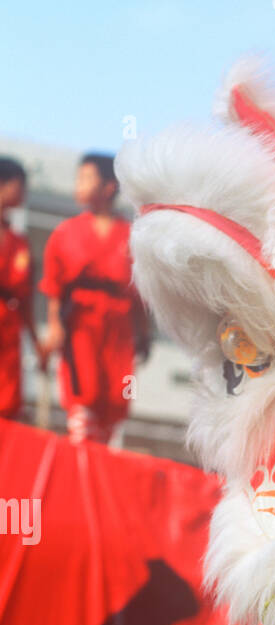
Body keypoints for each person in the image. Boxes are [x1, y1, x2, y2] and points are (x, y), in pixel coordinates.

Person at [40, 153, 150, 445]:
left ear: (108, 186)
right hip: (81, 323)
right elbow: (53, 285)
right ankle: (81, 463)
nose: (80, 185)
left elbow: (142, 292)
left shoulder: (132, 236)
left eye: (86, 178)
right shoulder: (66, 232)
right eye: (79, 178)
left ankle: (98, 463)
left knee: (115, 398)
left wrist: (145, 333)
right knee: (83, 395)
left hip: (120, 328)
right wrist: (54, 325)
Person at [0, 157, 43, 419]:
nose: (24, 194)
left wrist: (37, 344)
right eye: (20, 186)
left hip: (8, 329)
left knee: (6, 403)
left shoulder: (19, 241)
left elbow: (25, 298)